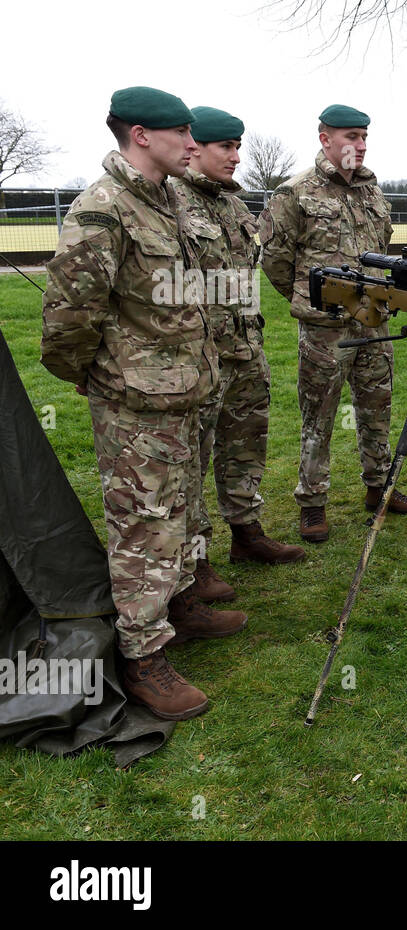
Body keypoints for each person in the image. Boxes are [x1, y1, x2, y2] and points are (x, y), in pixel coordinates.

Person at [41, 86, 247, 720]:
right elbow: (68, 322)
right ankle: (142, 656)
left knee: (180, 510)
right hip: (135, 403)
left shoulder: (166, 201)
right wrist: (104, 379)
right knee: (142, 527)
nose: (192, 143)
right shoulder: (104, 209)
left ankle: (180, 605)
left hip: (185, 391)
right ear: (139, 136)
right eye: (181, 133)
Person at [260, 104, 407, 543]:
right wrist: (310, 300)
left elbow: (382, 245)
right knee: (320, 415)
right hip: (324, 329)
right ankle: (312, 502)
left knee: (377, 407)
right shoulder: (294, 193)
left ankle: (379, 486)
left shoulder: (373, 193)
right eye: (351, 136)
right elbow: (275, 260)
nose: (361, 145)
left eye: (365, 136)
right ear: (325, 138)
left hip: (372, 322)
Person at [169, 106, 305, 598]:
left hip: (245, 350)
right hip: (198, 357)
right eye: (225, 147)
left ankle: (247, 533)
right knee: (193, 462)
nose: (236, 156)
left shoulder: (233, 206)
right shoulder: (171, 202)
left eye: (237, 146)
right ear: (195, 148)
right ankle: (196, 560)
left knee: (245, 446)